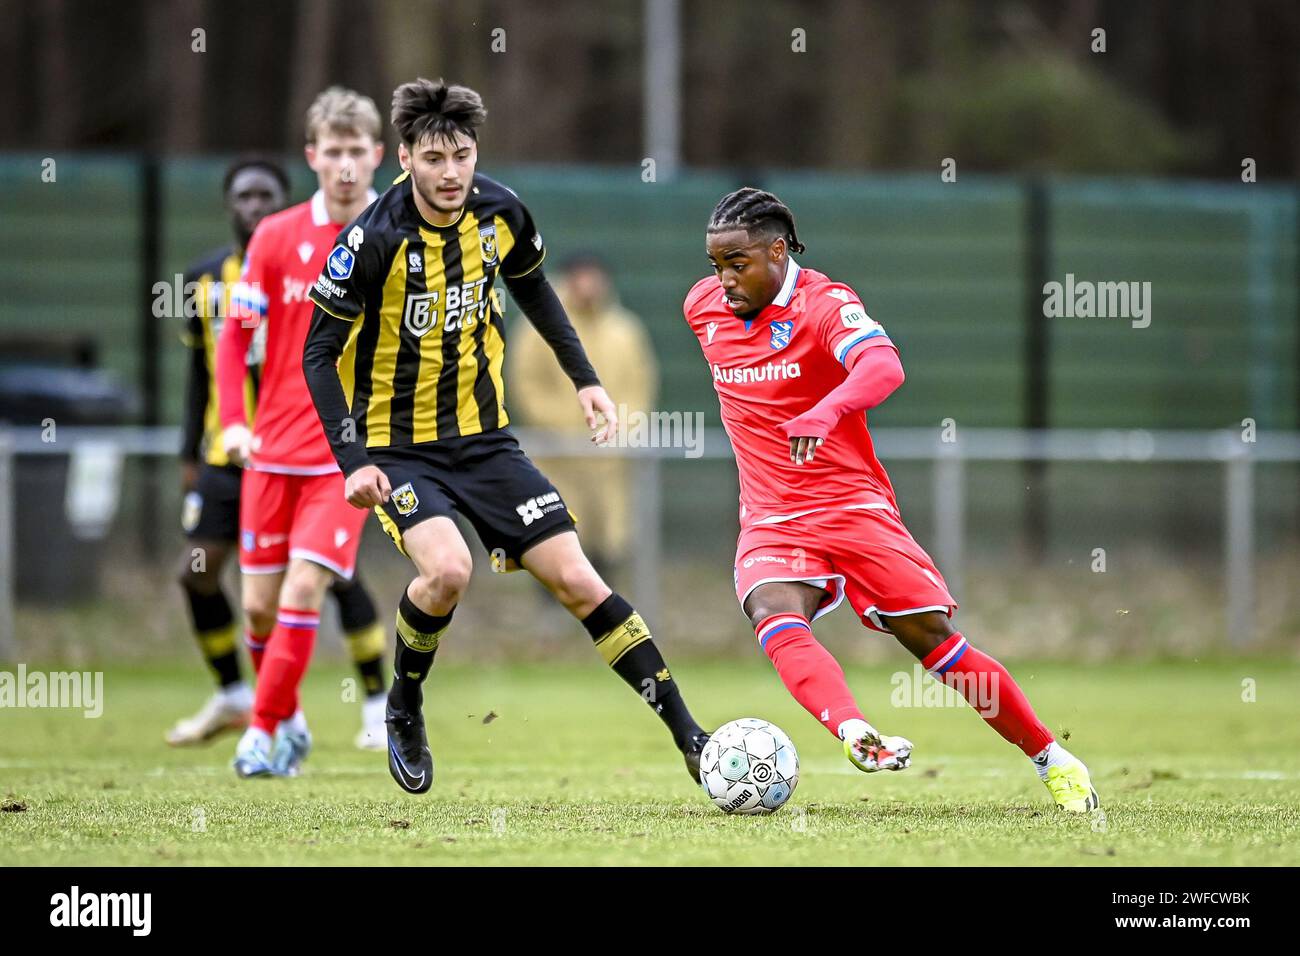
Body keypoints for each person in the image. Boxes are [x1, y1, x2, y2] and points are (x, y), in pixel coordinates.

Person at [302, 77, 709, 795]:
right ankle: (403, 703)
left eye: (460, 154)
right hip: (399, 450)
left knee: (582, 581)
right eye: (433, 158)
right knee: (447, 571)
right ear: (405, 159)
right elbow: (317, 353)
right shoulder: (373, 238)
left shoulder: (502, 212)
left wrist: (585, 380)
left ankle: (692, 739)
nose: (450, 171)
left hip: (486, 443)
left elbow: (535, 291)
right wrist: (352, 460)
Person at [682, 187, 1099, 812]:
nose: (724, 280)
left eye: (737, 264)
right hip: (771, 516)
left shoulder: (826, 305)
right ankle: (853, 730)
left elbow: (884, 367)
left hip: (852, 506)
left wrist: (826, 409)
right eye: (716, 265)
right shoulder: (703, 307)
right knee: (772, 609)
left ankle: (1051, 758)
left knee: (932, 641)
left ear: (777, 251)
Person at [170, 156, 389, 751]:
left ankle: (375, 701)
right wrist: (191, 453)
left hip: (308, 447)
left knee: (330, 578)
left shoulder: (323, 261)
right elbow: (203, 370)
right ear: (228, 205)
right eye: (243, 195)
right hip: (229, 452)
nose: (254, 206)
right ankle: (243, 698)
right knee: (202, 573)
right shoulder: (205, 280)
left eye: (266, 194)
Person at [217, 89, 385, 777]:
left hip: (344, 457)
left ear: (378, 154)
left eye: (357, 151)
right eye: (333, 151)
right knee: (257, 606)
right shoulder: (275, 237)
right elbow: (235, 339)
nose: (345, 165)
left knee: (305, 588)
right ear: (312, 156)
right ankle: (289, 721)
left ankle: (258, 732)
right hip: (271, 451)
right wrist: (234, 423)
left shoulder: (395, 233)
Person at [507, 254, 657, 576]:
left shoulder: (625, 331)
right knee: (553, 531)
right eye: (580, 276)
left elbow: (640, 383)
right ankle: (552, 607)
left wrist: (621, 428)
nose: (588, 285)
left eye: (594, 276)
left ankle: (605, 605)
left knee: (610, 533)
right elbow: (526, 383)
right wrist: (562, 425)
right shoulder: (538, 329)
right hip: (557, 454)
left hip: (609, 456)